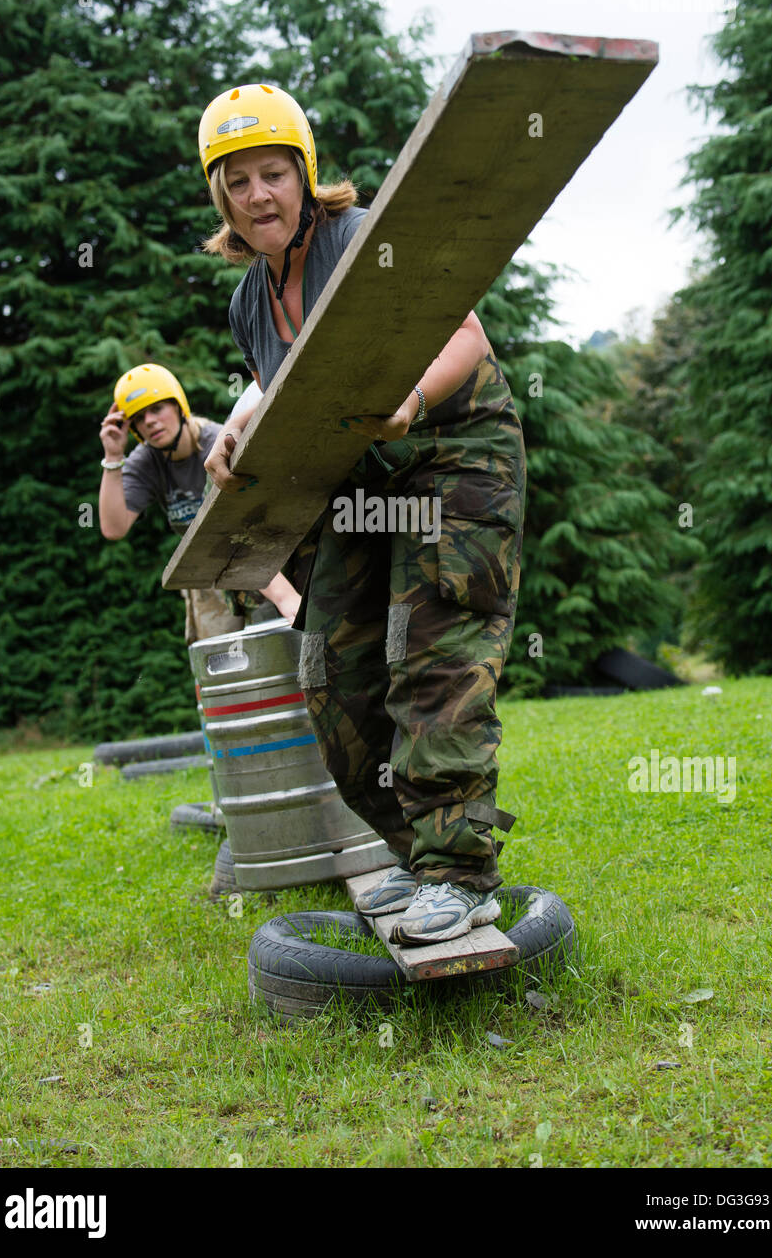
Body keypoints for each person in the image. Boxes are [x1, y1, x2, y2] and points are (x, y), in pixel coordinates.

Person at [199, 84, 525, 946]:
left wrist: (411, 398)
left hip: (455, 456)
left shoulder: (358, 238)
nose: (259, 195)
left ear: (304, 176)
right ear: (219, 195)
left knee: (430, 654)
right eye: (238, 181)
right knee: (331, 675)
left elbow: (468, 336)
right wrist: (236, 432)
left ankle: (460, 873)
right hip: (366, 483)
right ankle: (417, 860)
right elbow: (280, 389)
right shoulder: (246, 303)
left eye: (274, 173)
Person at [98, 362, 300, 641]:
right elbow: (114, 528)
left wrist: (286, 597)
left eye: (157, 409)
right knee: (218, 665)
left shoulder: (218, 444)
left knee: (280, 647)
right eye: (139, 418)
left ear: (179, 406)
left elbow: (241, 529)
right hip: (209, 577)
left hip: (264, 561)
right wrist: (112, 458)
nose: (150, 422)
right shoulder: (146, 461)